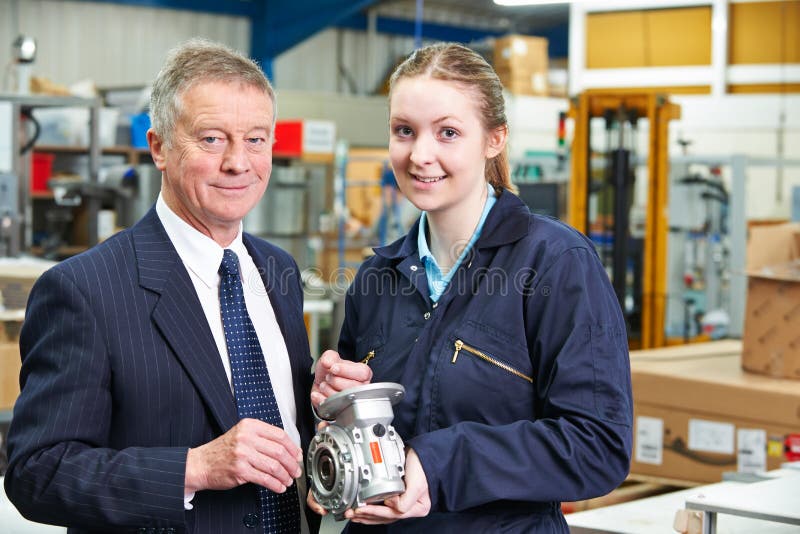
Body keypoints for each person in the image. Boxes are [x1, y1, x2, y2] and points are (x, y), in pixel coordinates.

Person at [309, 42, 633, 532]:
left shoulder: (556, 265)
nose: (420, 154)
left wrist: (439, 467)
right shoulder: (377, 276)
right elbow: (370, 436)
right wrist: (336, 408)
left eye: (448, 132)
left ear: (494, 139)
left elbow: (597, 447)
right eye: (404, 131)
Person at [5, 39, 319, 534]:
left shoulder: (277, 271)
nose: (239, 162)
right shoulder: (83, 291)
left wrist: (326, 405)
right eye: (212, 139)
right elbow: (37, 473)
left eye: (256, 140)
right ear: (159, 148)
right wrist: (195, 468)